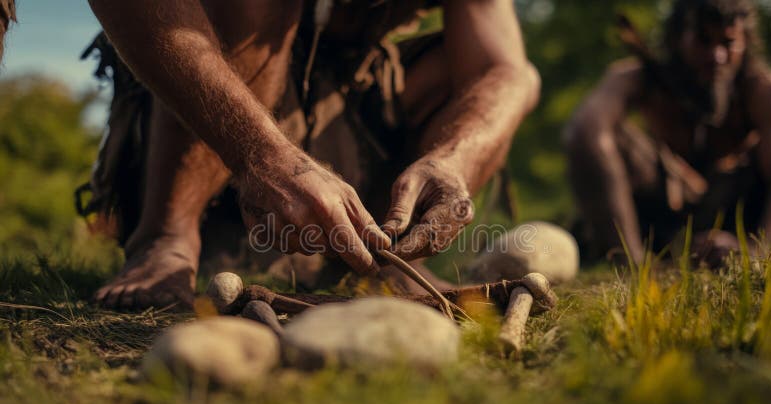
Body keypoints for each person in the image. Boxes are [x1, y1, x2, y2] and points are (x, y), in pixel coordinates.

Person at [80, 0, 540, 309]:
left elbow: (502, 68)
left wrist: (453, 159)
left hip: (353, 96)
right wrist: (262, 155)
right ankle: (167, 235)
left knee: (514, 80)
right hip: (216, 90)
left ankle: (394, 257)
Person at [565, 0, 771, 266]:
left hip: (738, 211)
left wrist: (756, 254)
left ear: (745, 42)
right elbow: (585, 132)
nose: (717, 56)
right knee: (599, 136)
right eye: (703, 40)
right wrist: (632, 260)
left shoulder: (765, 91)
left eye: (728, 43)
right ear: (677, 39)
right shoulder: (637, 78)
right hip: (663, 213)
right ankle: (625, 255)